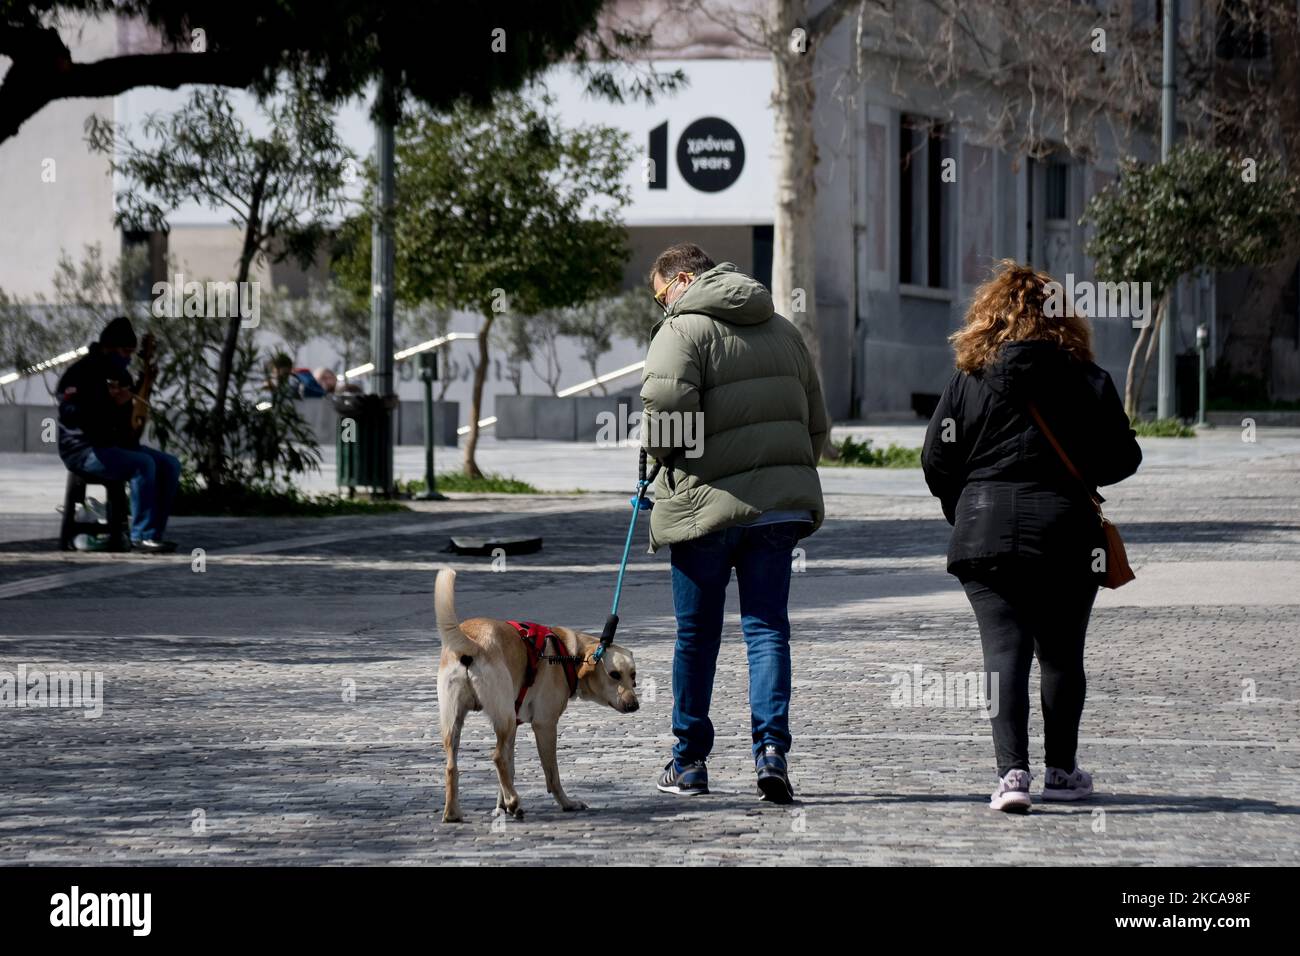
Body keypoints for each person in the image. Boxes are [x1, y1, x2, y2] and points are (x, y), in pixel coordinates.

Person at [921, 260, 1141, 813]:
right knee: (1063, 655)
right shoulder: (1088, 378)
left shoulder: (968, 381)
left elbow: (936, 459)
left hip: (984, 532)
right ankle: (1061, 771)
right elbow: (1124, 457)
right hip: (1068, 531)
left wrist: (964, 506)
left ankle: (1011, 776)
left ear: (987, 317)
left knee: (1003, 650)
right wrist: (1076, 468)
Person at [640, 243, 828, 804]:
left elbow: (667, 428)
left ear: (680, 279)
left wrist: (671, 463)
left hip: (704, 508)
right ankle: (771, 752)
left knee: (696, 636)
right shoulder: (784, 330)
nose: (660, 306)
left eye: (659, 295)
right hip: (777, 512)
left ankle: (689, 762)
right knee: (767, 628)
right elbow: (815, 426)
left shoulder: (682, 330)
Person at [56, 316, 181, 553]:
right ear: (108, 348)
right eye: (124, 352)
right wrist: (106, 400)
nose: (127, 358)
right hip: (84, 449)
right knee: (143, 464)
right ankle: (140, 536)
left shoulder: (122, 377)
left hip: (115, 444)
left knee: (169, 464)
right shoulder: (80, 373)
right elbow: (69, 411)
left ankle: (153, 534)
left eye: (132, 353)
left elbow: (131, 425)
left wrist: (143, 387)